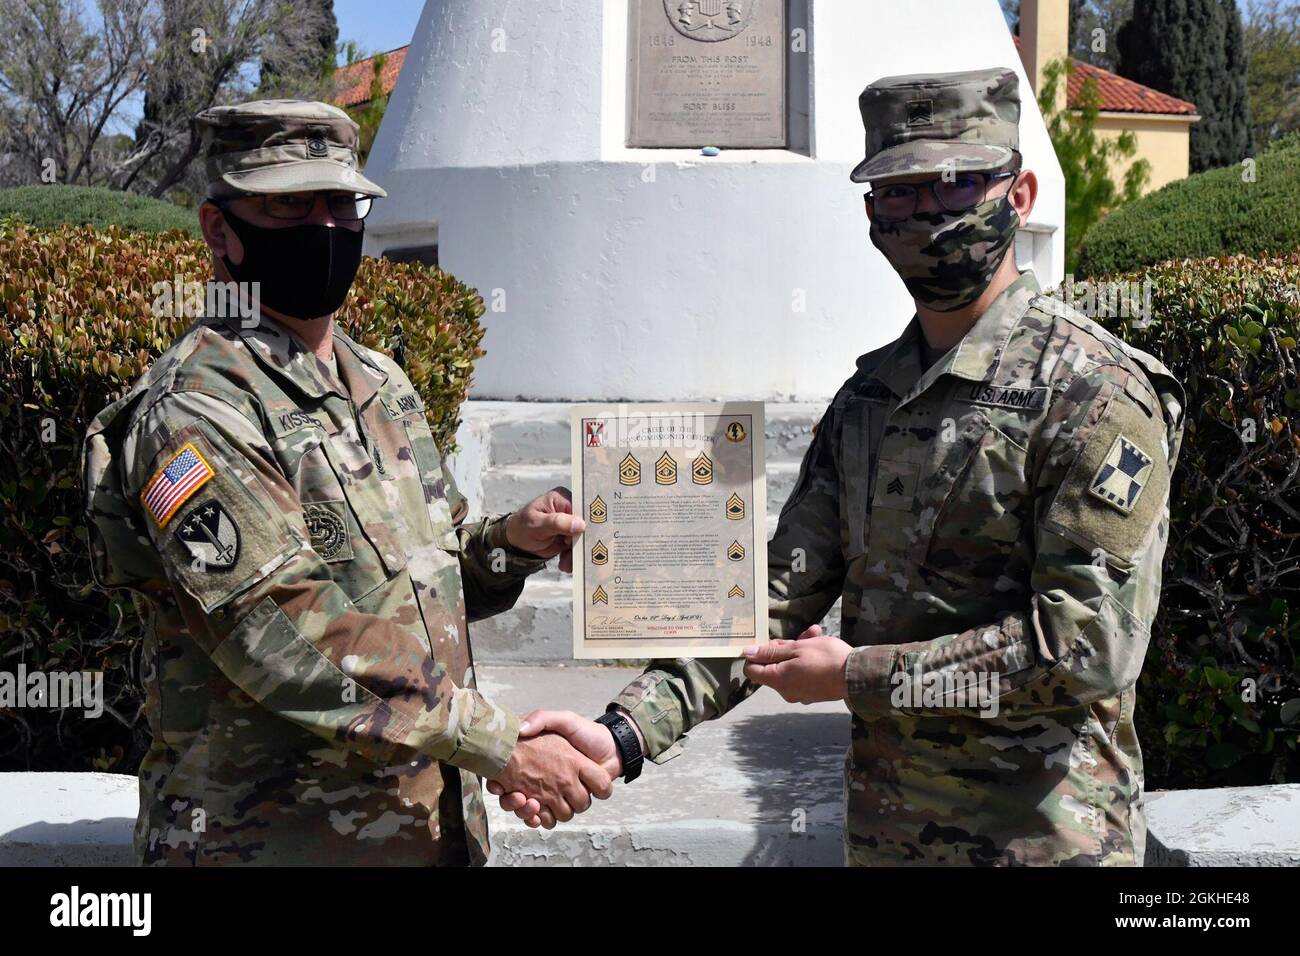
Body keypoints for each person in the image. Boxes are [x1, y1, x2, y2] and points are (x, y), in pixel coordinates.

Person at [491, 68, 1187, 866]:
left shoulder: (1096, 392)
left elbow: (1083, 651)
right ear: (870, 216)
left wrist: (859, 675)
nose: (927, 212)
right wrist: (621, 732)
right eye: (900, 192)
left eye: (958, 184)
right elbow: (776, 597)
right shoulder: (870, 399)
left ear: (1019, 194)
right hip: (889, 841)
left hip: (1047, 843)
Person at [82, 99, 616, 865]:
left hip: (422, 837)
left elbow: (428, 578)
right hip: (269, 844)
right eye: (291, 204)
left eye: (342, 203)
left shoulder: (378, 381)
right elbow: (281, 627)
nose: (326, 227)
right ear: (218, 229)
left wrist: (513, 545)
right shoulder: (196, 409)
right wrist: (500, 743)